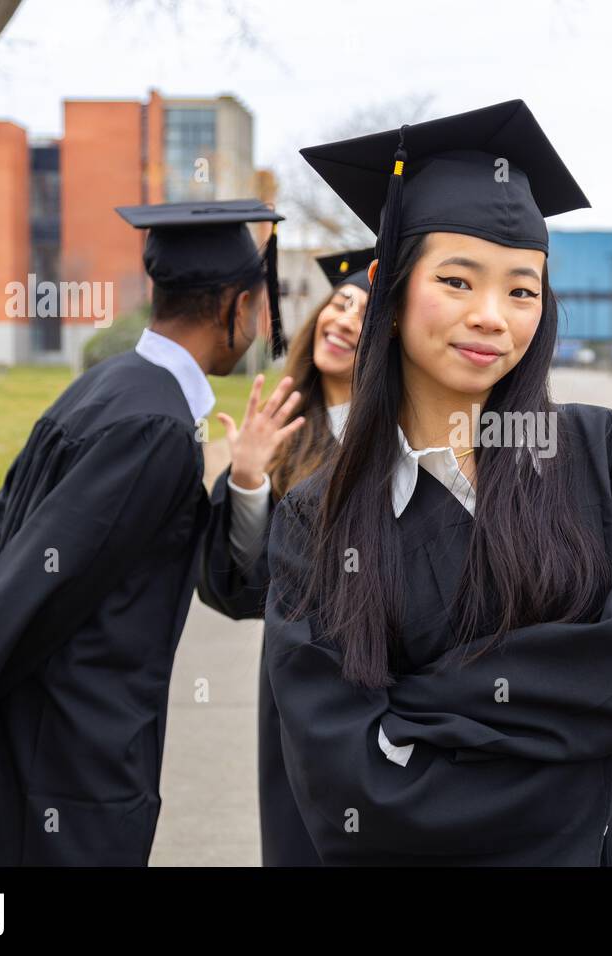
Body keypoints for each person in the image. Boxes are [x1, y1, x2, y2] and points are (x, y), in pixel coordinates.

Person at [263, 100, 612, 865]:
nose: (492, 316)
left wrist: (419, 711)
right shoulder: (318, 525)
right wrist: (584, 757)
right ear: (387, 289)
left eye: (522, 290)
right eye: (457, 280)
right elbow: (350, 783)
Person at [0, 200, 300, 865]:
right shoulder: (155, 428)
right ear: (236, 306)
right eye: (257, 309)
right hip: (71, 759)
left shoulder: (108, 387)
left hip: (42, 743)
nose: (259, 326)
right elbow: (37, 578)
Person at [197, 247, 372, 866]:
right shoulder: (287, 430)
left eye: (367, 313)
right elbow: (247, 582)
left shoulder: (409, 432)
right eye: (340, 302)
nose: (345, 319)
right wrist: (247, 477)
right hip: (300, 682)